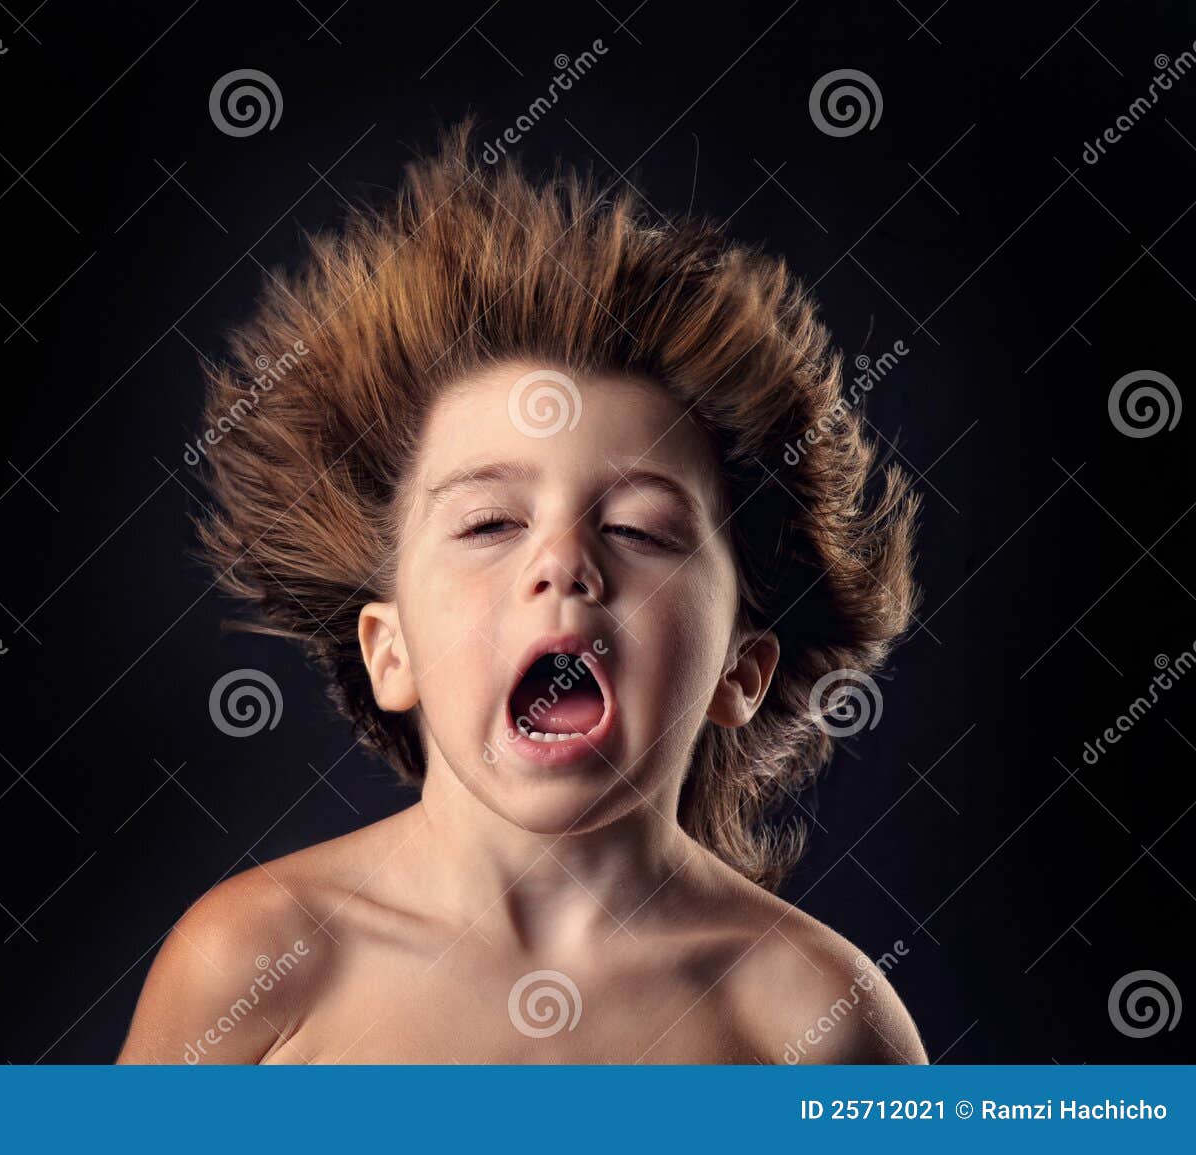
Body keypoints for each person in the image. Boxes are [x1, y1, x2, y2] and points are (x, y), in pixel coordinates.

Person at [120, 122, 926, 1064]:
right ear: (393, 650)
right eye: (489, 524)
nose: (565, 563)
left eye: (638, 529)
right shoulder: (257, 961)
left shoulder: (813, 1020)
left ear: (739, 671)